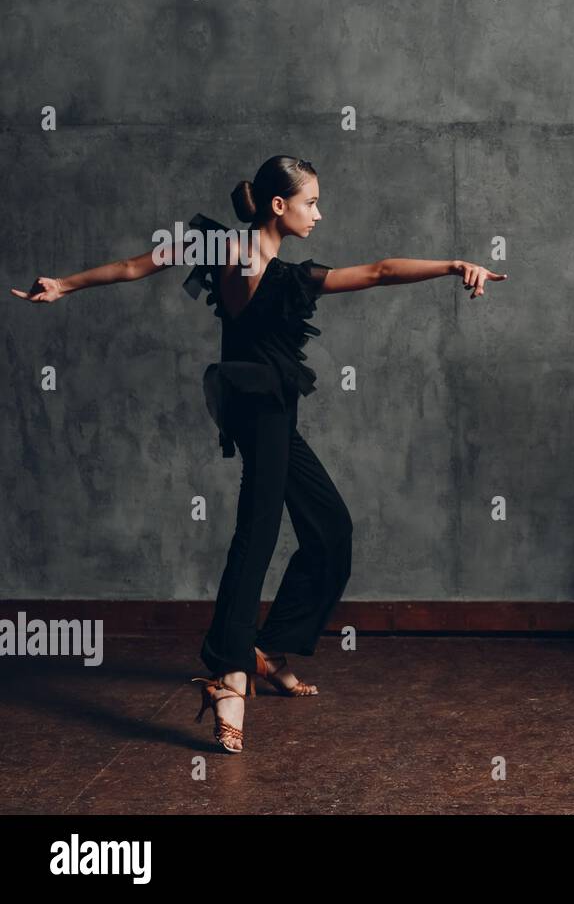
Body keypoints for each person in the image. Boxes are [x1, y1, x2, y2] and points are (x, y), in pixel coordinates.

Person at [12, 154, 506, 753]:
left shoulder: (266, 266)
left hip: (270, 411)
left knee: (330, 531)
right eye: (311, 203)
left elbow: (379, 271)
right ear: (279, 205)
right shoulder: (228, 252)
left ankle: (263, 651)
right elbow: (133, 266)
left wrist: (454, 265)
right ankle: (227, 675)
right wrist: (63, 284)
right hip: (258, 409)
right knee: (258, 530)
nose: (319, 214)